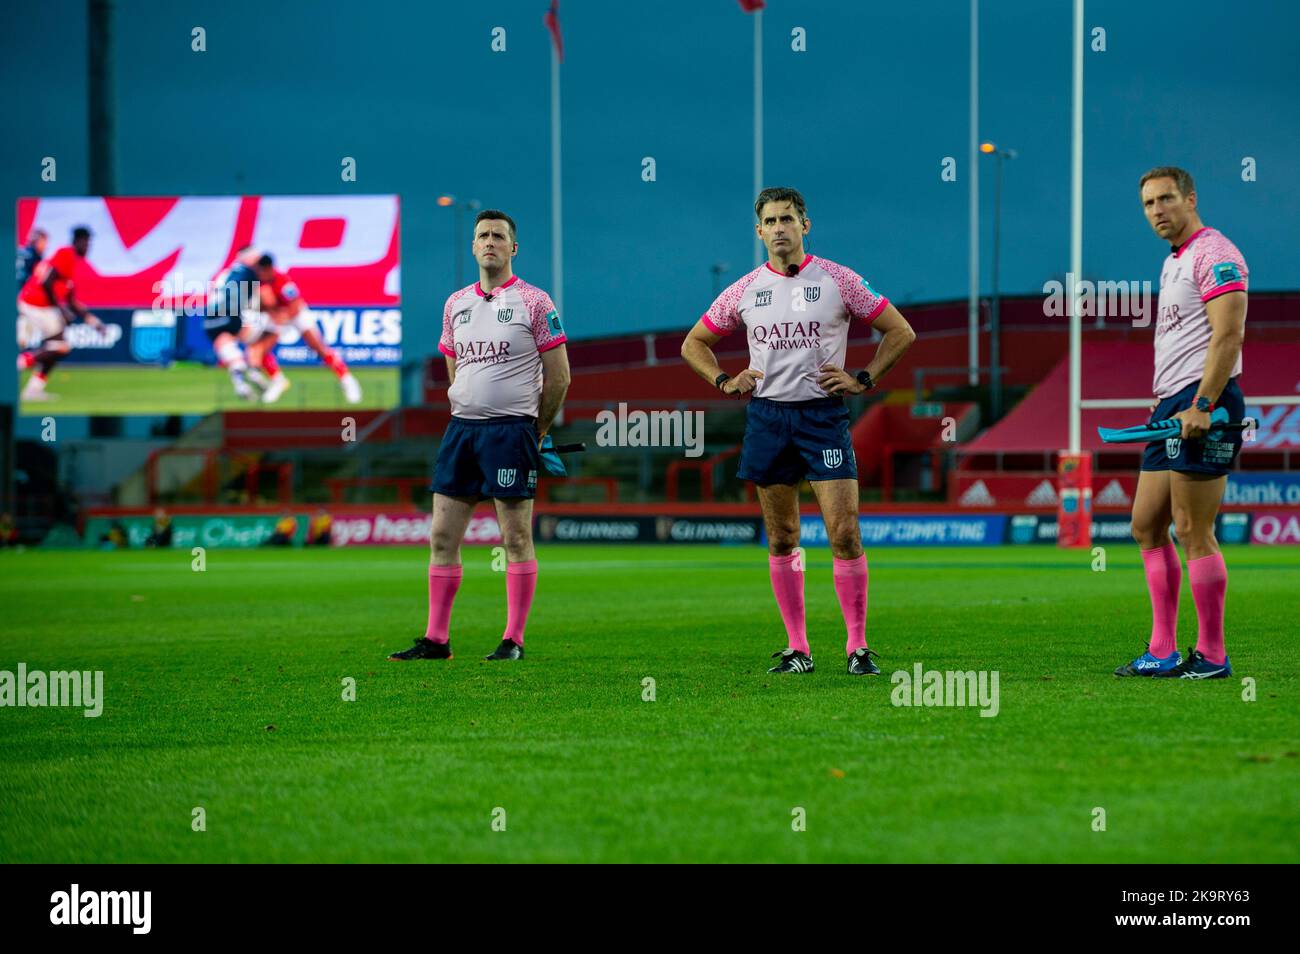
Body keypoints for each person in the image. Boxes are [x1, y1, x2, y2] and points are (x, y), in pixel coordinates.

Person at [681, 187, 916, 675]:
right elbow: (694, 343)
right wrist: (725, 379)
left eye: (788, 218)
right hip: (768, 418)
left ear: (805, 226)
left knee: (844, 533)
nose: (780, 227)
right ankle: (798, 649)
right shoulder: (744, 289)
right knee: (782, 536)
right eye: (771, 220)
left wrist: (863, 378)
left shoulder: (838, 280)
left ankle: (857, 647)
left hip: (822, 417)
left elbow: (900, 330)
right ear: (759, 231)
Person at [389, 209, 570, 662]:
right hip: (461, 432)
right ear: (473, 246)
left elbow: (561, 377)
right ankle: (436, 640)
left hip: (511, 432)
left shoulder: (536, 301)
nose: (489, 241)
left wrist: (538, 429)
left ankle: (513, 640)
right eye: (482, 235)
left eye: (498, 236)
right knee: (441, 537)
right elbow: (455, 366)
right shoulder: (456, 304)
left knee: (514, 538)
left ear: (514, 248)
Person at [1115, 166, 1248, 680]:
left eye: (1166, 199)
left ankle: (1212, 655)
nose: (1157, 211)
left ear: (1190, 198)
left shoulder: (1217, 253)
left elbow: (1229, 335)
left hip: (1204, 404)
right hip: (1171, 405)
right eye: (1148, 204)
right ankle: (1162, 649)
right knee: (1146, 525)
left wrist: (1205, 403)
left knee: (1194, 529)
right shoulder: (1174, 262)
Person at [246, 253, 362, 405]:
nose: (260, 274)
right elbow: (259, 307)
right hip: (276, 316)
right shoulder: (258, 283)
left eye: (262, 271)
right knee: (259, 348)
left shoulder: (283, 281)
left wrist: (283, 317)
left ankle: (347, 379)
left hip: (296, 314)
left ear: (269, 269)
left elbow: (295, 305)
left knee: (318, 347)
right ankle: (278, 381)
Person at [16, 226, 104, 402]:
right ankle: (19, 364)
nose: (88, 247)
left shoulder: (71, 262)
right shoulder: (66, 254)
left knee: (58, 347)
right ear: (77, 242)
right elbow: (47, 281)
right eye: (86, 242)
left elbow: (71, 300)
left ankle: (33, 390)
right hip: (35, 303)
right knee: (60, 346)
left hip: (39, 304)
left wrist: (94, 322)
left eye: (89, 243)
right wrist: (61, 310)